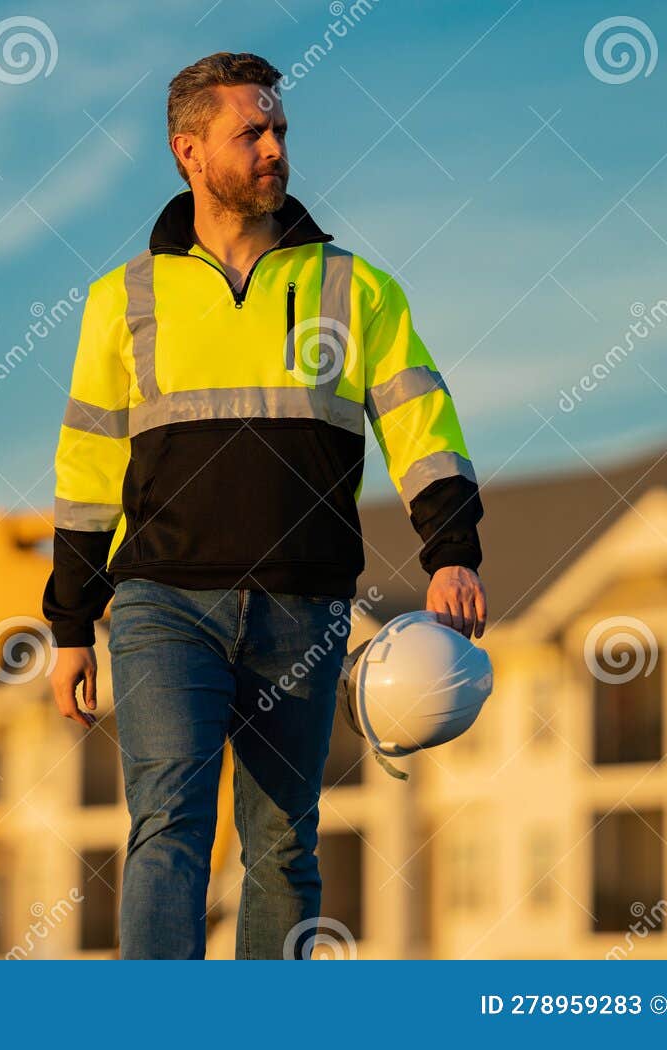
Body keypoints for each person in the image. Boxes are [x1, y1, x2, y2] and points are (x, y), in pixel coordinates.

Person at [42, 51, 486, 959]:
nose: (275, 147)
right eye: (252, 131)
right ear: (190, 153)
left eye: (279, 128)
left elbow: (420, 419)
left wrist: (451, 549)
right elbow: (86, 468)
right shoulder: (122, 300)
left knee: (285, 846)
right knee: (170, 828)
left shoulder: (355, 288)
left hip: (304, 606)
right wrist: (69, 626)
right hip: (163, 604)